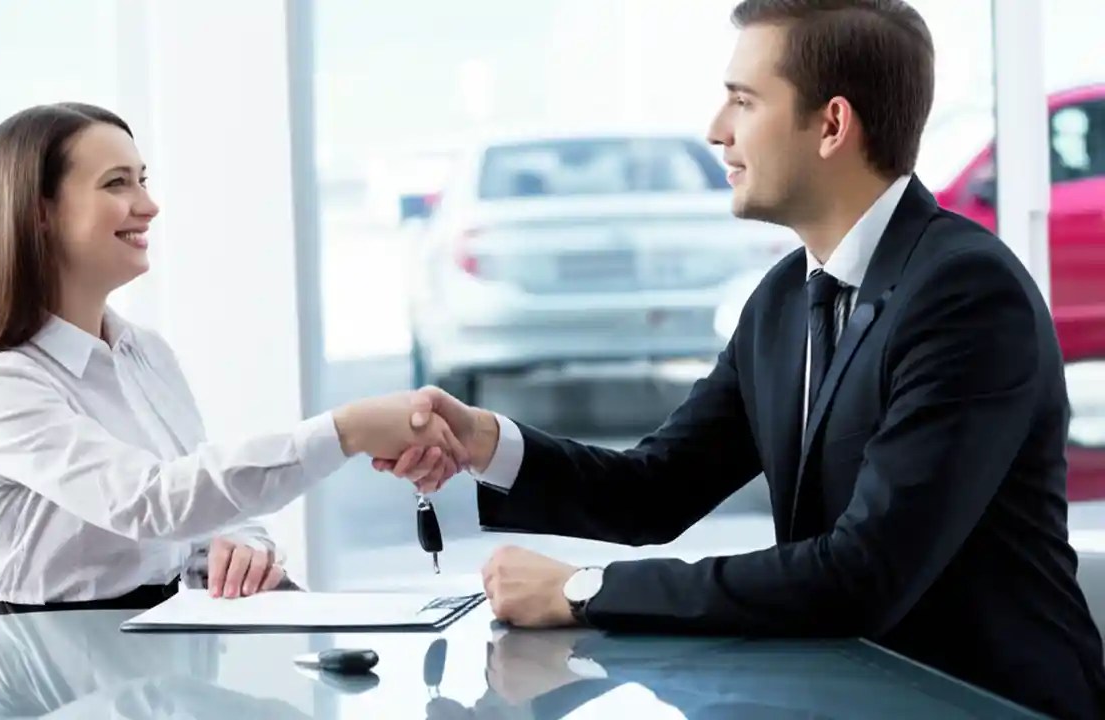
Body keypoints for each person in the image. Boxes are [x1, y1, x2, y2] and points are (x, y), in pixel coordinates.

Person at [378, 1, 1105, 717]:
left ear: (831, 125)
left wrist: (582, 590)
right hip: (847, 695)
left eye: (743, 101)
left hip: (986, 703)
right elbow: (655, 489)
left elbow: (861, 573)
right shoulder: (788, 297)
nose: (716, 131)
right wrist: (485, 443)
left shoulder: (966, 294)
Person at [0, 102, 465, 612]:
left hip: (160, 662)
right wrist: (346, 431)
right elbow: (151, 503)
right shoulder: (1, 388)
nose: (148, 205)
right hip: (54, 683)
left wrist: (240, 542)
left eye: (142, 180)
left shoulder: (145, 354)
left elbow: (194, 505)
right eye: (117, 183)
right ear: (40, 213)